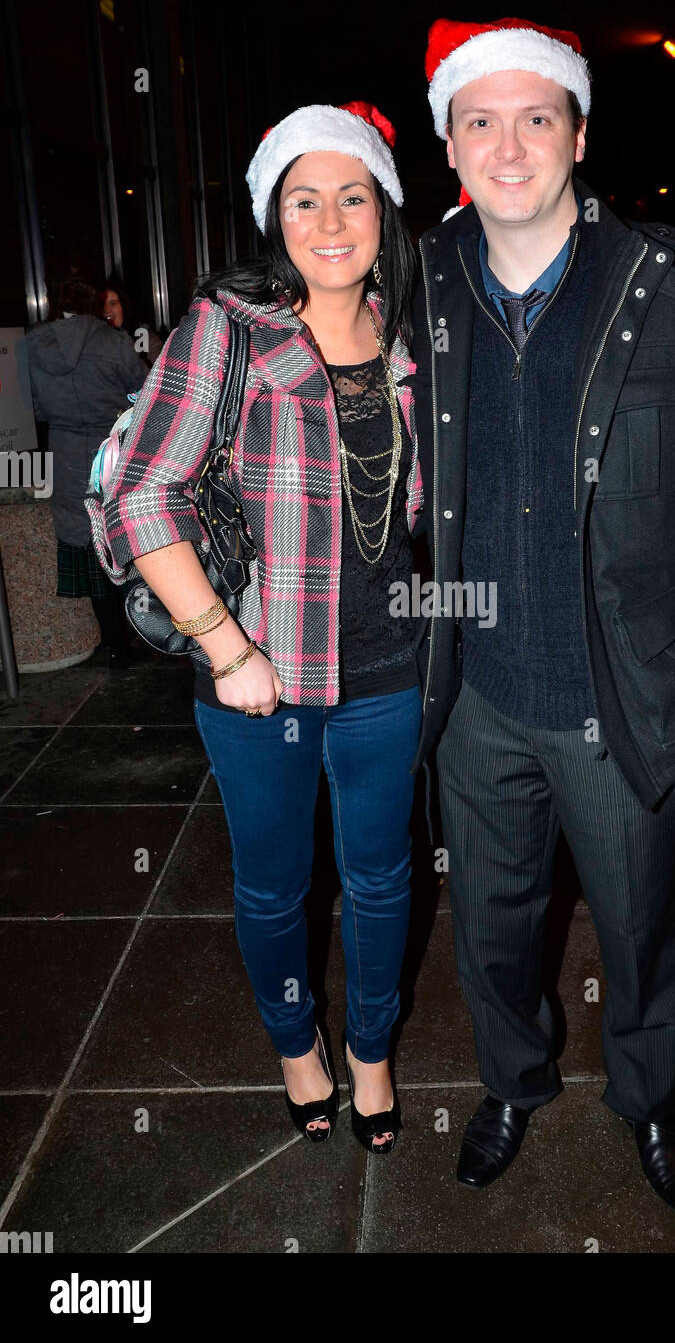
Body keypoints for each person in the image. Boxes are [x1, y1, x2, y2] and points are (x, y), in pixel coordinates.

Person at [408, 18, 675, 1210]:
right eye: (481, 119)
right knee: (491, 933)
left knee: (641, 933)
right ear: (450, 144)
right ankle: (515, 1083)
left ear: (579, 129)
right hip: (474, 699)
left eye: (536, 116)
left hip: (624, 696)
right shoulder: (416, 283)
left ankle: (650, 1102)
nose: (509, 144)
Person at [91, 102, 422, 1153]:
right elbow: (141, 494)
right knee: (276, 882)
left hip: (392, 668)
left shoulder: (415, 339)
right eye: (304, 198)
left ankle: (370, 1051)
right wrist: (224, 645)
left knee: (381, 878)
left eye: (353, 195)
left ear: (385, 210)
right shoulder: (231, 329)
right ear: (275, 219)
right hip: (260, 678)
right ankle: (297, 1045)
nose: (331, 220)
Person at [26, 277, 146, 669]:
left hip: (63, 453)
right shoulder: (113, 341)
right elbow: (144, 394)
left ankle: (114, 646)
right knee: (125, 538)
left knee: (87, 547)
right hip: (113, 450)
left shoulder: (33, 344)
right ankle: (139, 628)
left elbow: (36, 409)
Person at [98, 279, 164, 369]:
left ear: (123, 307)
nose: (107, 310)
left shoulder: (142, 335)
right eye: (101, 304)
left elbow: (158, 372)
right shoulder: (89, 339)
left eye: (113, 303)